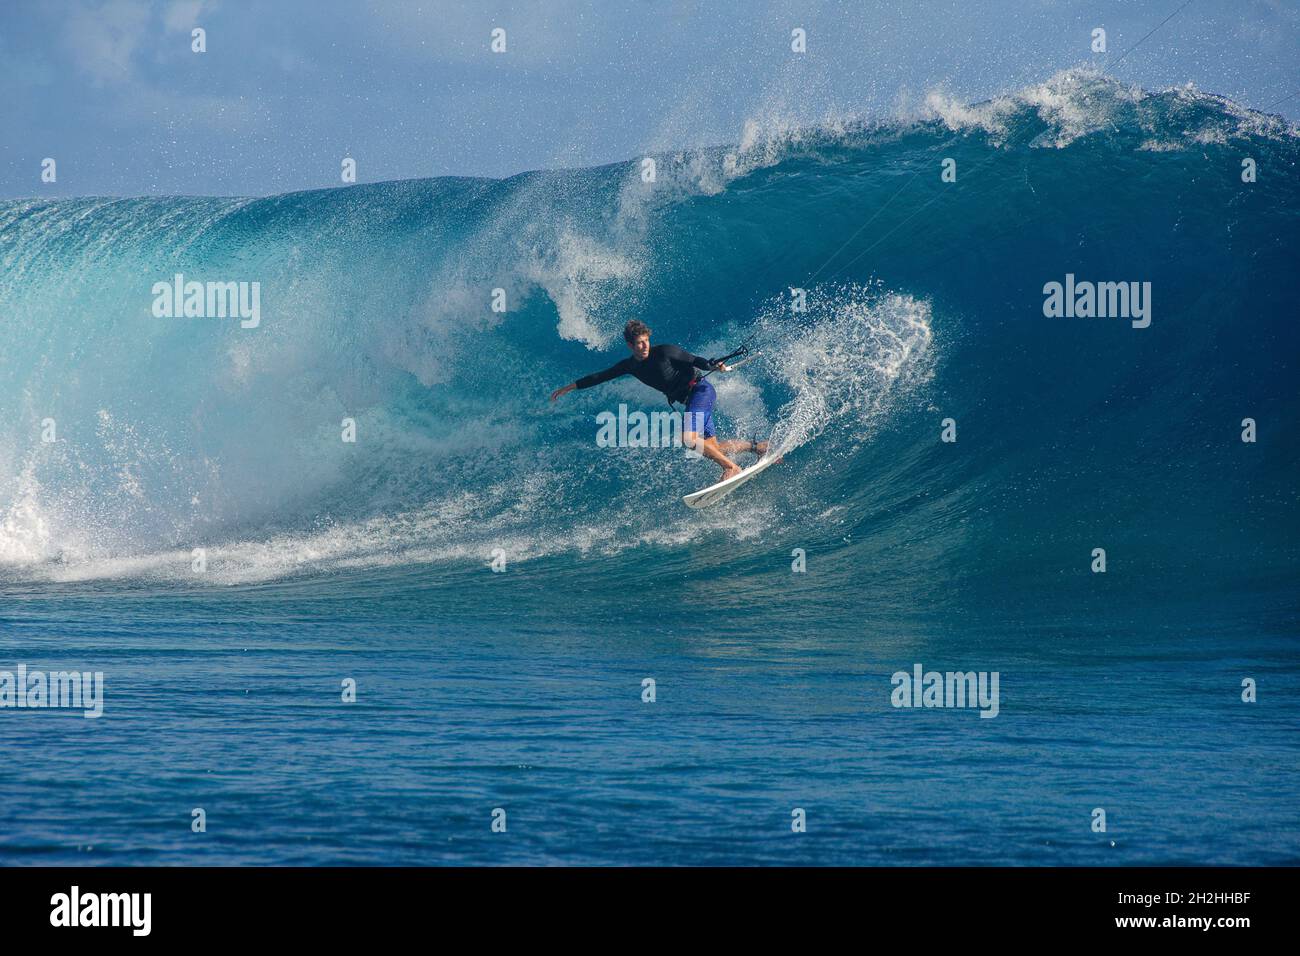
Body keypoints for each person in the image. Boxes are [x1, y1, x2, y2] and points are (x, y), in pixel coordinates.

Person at [550, 320, 766, 480]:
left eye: (645, 342)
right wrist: (570, 387)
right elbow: (600, 376)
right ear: (629, 345)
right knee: (713, 447)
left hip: (700, 392)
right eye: (638, 344)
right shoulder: (629, 366)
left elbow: (696, 361)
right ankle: (757, 447)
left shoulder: (665, 351)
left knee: (688, 439)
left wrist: (713, 365)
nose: (643, 347)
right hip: (689, 401)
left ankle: (731, 468)